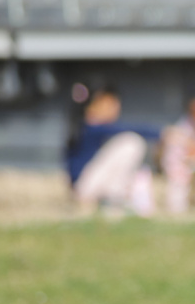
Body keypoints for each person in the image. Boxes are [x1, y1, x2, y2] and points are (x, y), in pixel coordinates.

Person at [64, 83, 158, 215]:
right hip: (85, 187)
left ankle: (120, 200)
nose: (115, 108)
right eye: (108, 104)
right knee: (132, 142)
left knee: (138, 171)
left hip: (87, 185)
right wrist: (162, 133)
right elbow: (133, 129)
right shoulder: (90, 128)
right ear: (92, 106)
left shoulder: (90, 129)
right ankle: (113, 200)